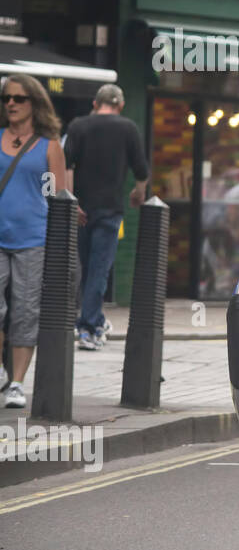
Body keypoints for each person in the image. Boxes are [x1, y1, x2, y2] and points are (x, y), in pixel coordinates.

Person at [62, 83, 150, 350]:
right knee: (99, 269)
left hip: (81, 210)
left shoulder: (78, 125)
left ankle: (94, 319)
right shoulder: (128, 128)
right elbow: (141, 170)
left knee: (87, 268)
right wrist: (138, 193)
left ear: (95, 103)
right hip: (110, 209)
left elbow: (66, 165)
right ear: (120, 106)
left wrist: (71, 199)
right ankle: (87, 328)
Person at [0, 75, 69, 408]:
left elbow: (56, 196)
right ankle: (2, 371)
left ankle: (16, 383)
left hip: (32, 239)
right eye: (6, 98)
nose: (11, 103)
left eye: (19, 98)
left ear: (35, 104)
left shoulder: (49, 146)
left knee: (24, 312)